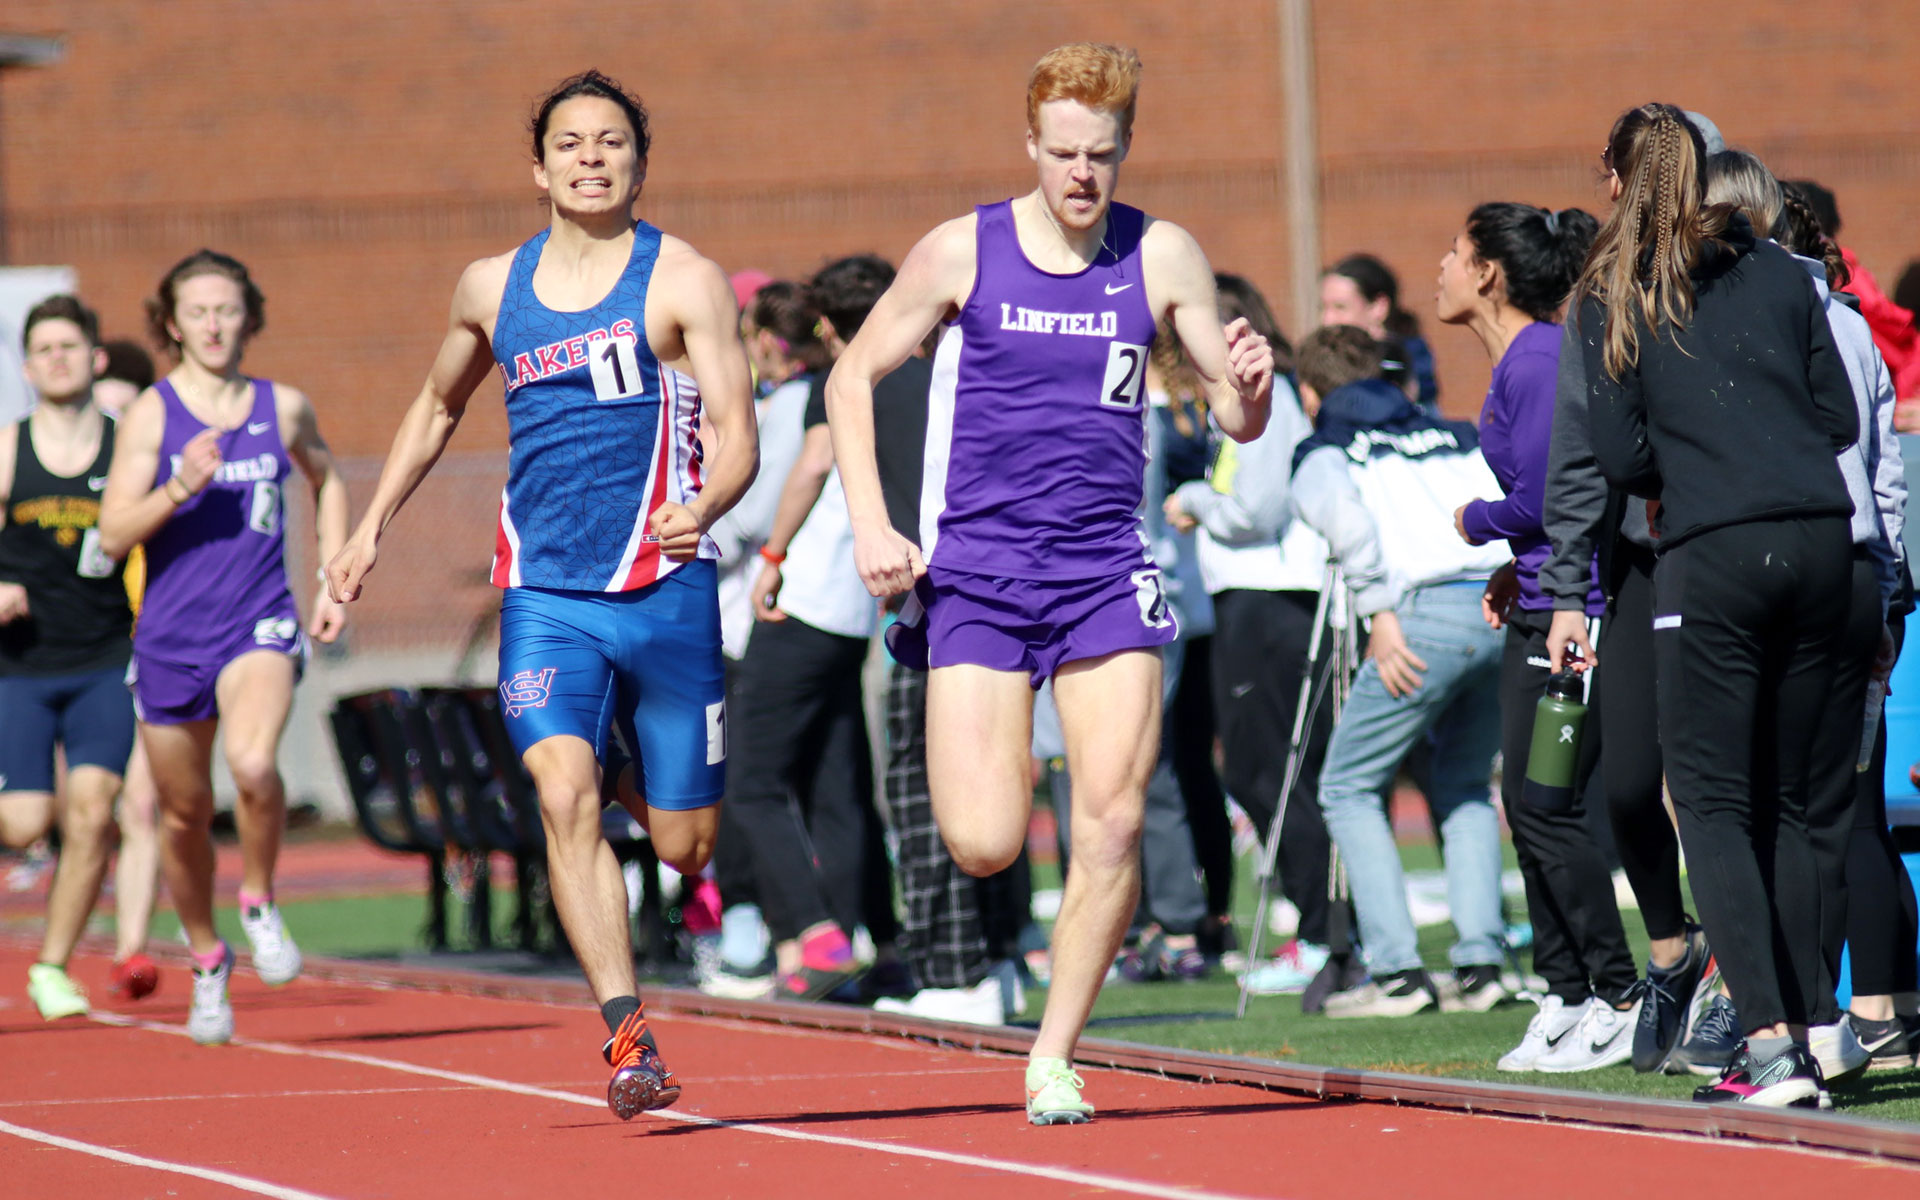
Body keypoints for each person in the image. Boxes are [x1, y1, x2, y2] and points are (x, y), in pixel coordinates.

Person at [824, 43, 1275, 1124]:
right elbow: (848, 380)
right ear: (1031, 145)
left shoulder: (1162, 256)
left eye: (1102, 155)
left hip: (1106, 574)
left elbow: (1231, 415)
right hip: (976, 577)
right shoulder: (960, 251)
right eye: (1063, 152)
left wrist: (1250, 393)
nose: (1082, 174)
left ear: (1126, 151)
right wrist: (874, 526)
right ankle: (1016, 904)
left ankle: (1054, 1054)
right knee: (984, 839)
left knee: (1113, 821)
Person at [326, 70, 756, 1120]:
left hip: (666, 589)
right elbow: (436, 402)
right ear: (539, 166)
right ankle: (627, 1031)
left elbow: (739, 432)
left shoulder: (683, 280)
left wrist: (710, 501)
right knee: (561, 794)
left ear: (639, 165)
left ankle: (636, 785)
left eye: (612, 143)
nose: (592, 158)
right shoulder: (491, 287)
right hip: (547, 594)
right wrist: (370, 525)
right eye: (571, 143)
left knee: (683, 844)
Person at [1577, 103, 1858, 1108]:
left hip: (1715, 549)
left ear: (1617, 179)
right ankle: (1812, 1033)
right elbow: (1839, 416)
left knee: (1711, 806)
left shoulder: (1614, 290)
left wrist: (1700, 461)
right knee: (1786, 799)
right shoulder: (1786, 273)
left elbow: (1620, 457)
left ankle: (1772, 1049)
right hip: (1822, 541)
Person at [98, 250, 348, 1050]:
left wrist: (334, 576)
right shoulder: (152, 414)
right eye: (197, 311)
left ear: (249, 317)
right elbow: (110, 534)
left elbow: (329, 477)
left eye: (227, 309)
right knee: (180, 815)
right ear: (171, 324)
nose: (213, 324)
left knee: (251, 765)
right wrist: (177, 487)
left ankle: (262, 900)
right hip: (171, 637)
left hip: (259, 621)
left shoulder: (283, 408)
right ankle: (208, 957)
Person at [1705, 149, 1909, 1080]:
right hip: (1859, 567)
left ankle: (1801, 1017)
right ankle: (1853, 1014)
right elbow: (1883, 470)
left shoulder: (1752, 321)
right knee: (1836, 808)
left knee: (1778, 807)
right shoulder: (1850, 324)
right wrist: (1892, 579)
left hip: (1791, 562)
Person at [1439, 201, 1645, 1070]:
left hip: (1572, 620)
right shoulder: (1521, 361)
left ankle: (1619, 992)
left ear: (1488, 271)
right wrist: (1510, 566)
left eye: (1453, 251)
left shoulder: (1537, 358)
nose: (1440, 266)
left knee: (1547, 806)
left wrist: (1475, 519)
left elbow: (1552, 495)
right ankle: (1564, 995)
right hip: (1536, 603)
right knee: (1529, 809)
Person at [1284, 325, 1512, 1018]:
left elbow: (1345, 526)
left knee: (1348, 785)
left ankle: (1398, 974)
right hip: (1499, 603)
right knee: (1465, 783)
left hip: (1419, 616)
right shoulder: (1454, 431)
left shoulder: (1325, 446)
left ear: (1311, 392)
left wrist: (1379, 612)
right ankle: (1482, 964)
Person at [1164, 275, 1344, 994]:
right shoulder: (1240, 402)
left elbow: (1256, 506)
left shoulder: (1265, 397)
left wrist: (1194, 499)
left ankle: (1326, 934)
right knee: (1259, 771)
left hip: (1269, 598)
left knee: (1269, 771)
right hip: (1252, 598)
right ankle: (1322, 929)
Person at [732, 254, 902, 1002]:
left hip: (803, 604)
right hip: (851, 611)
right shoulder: (902, 377)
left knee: (750, 780)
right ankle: (869, 932)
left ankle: (814, 932)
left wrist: (771, 553)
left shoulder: (833, 384)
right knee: (838, 783)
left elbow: (807, 469)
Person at [0, 295, 148, 1018]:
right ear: (27, 368)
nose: (57, 359)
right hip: (18, 668)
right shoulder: (7, 449)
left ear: (94, 358)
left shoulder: (130, 446)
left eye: (69, 346)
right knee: (27, 824)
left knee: (92, 813)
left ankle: (52, 966)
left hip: (103, 660)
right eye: (43, 349)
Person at [700, 279, 823, 996]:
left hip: (753, 617)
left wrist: (702, 514)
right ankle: (760, 927)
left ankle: (767, 932)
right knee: (743, 779)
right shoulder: (752, 405)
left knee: (750, 779)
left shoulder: (779, 408)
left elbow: (748, 515)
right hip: (720, 618)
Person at [89, 335, 165, 999]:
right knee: (68, 812)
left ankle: (132, 950)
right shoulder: (63, 464)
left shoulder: (159, 463)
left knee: (142, 803)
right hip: (70, 654)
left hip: (149, 643)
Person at [1321, 253, 1440, 412]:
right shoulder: (1320, 356)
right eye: (1323, 307)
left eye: (1340, 307)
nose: (1327, 320)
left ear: (1378, 307)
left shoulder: (1410, 359)